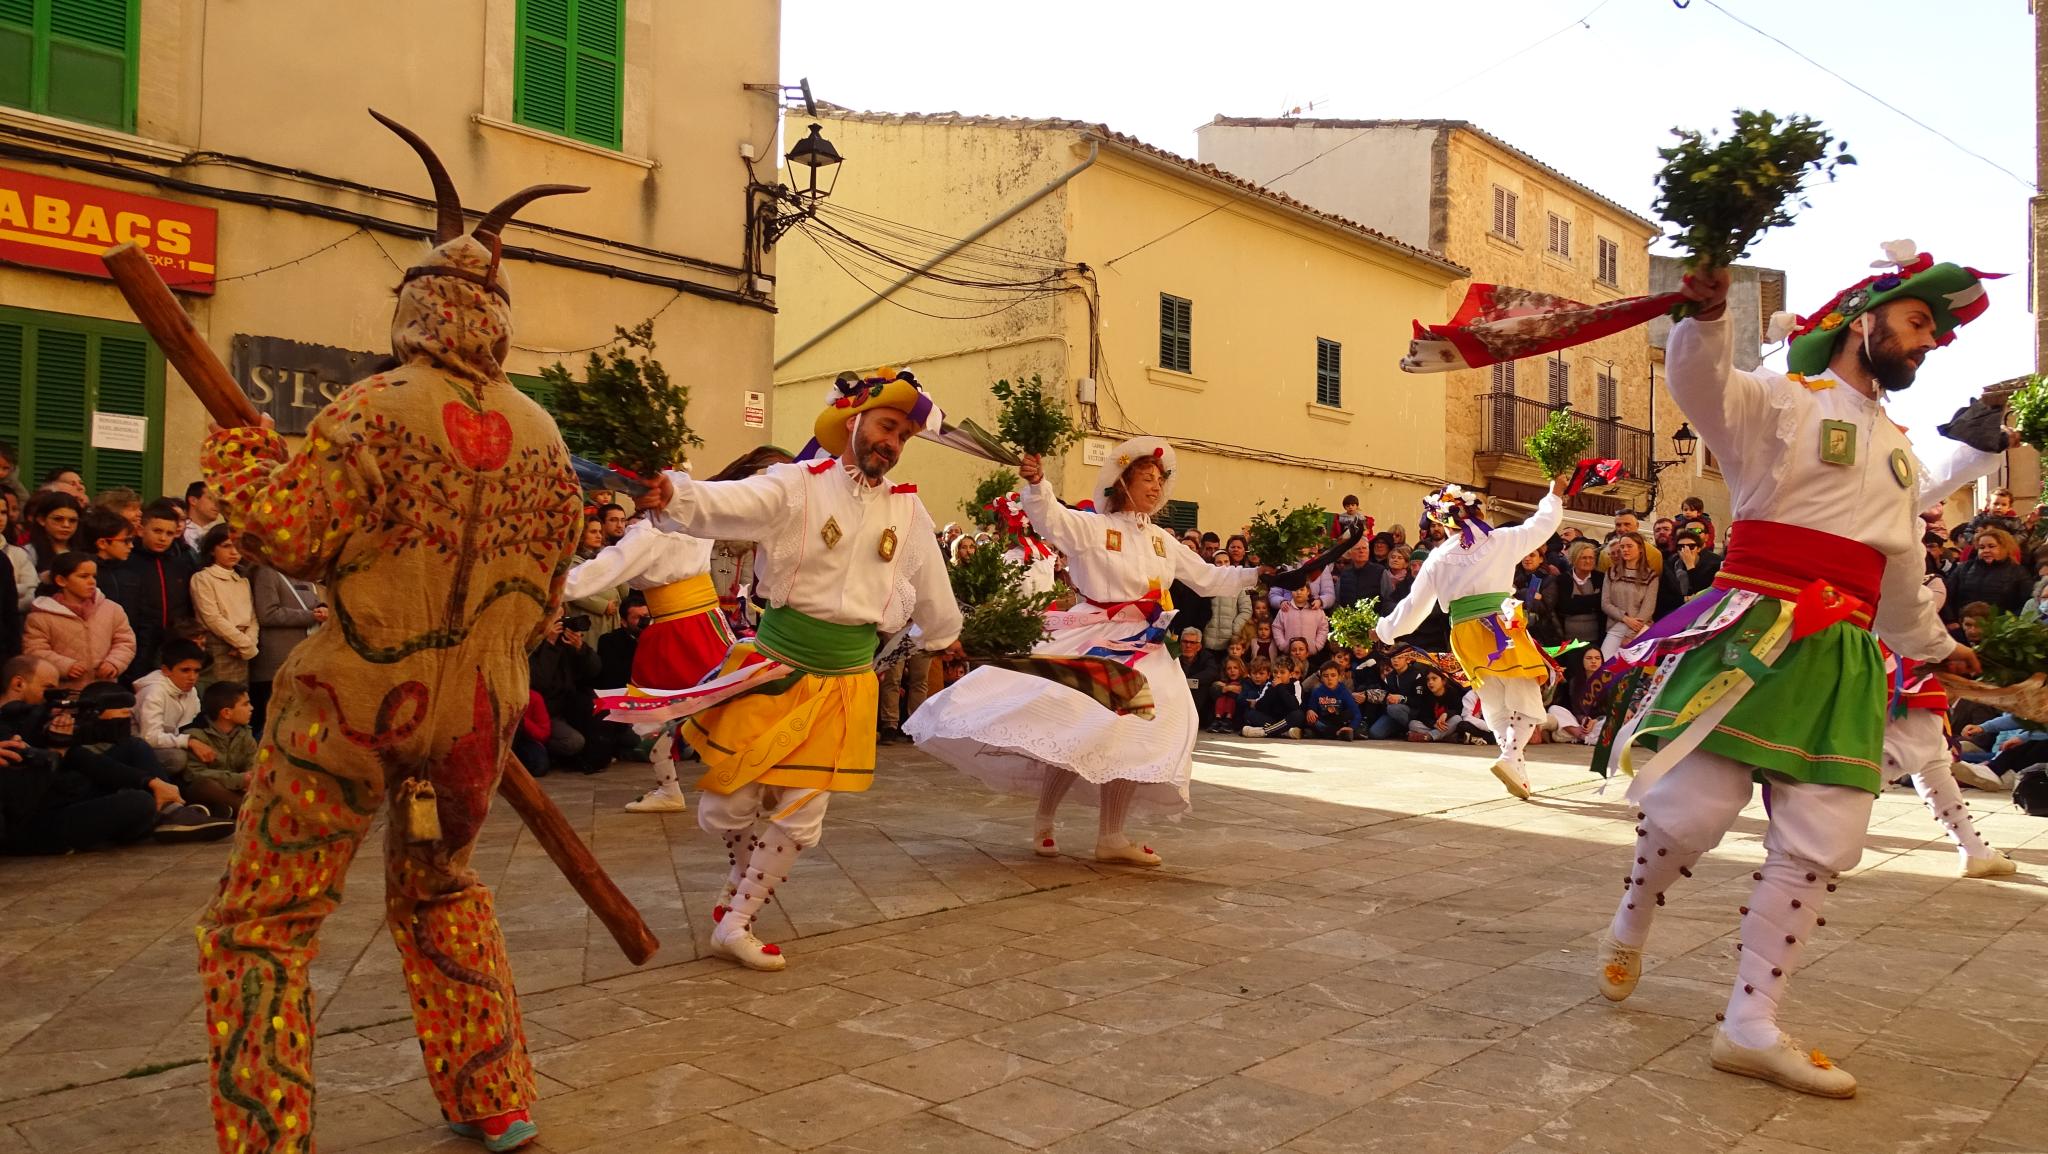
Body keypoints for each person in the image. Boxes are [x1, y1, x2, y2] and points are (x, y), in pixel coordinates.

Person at [193, 115, 585, 1151]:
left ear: (415, 308)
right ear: (496, 322)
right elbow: (551, 592)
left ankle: (269, 1135)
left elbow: (288, 534)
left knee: (262, 925)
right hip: (476, 717)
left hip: (348, 706)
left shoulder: (371, 407)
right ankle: (493, 1097)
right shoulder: (547, 440)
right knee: (445, 887)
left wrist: (239, 458)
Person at [1592, 247, 1991, 1098]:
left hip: (1845, 652)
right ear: (1864, 319)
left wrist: (1935, 649)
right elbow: (1703, 388)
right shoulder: (1782, 399)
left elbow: (1895, 577)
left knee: (1824, 842)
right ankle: (1631, 918)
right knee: (1691, 813)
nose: (1929, 343)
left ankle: (1750, 1023)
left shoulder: (1897, 447)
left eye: (1935, 332)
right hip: (1754, 630)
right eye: (1919, 324)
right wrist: (1702, 316)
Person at [622, 367, 962, 972]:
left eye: (904, 436)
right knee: (726, 803)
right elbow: (727, 503)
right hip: (773, 668)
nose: (891, 442)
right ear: (853, 421)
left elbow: (935, 601)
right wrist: (675, 494)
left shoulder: (909, 514)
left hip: (845, 685)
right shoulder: (795, 486)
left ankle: (737, 919)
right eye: (886, 425)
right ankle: (737, 895)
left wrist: (942, 636)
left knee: (801, 813)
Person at [908, 436, 1321, 870]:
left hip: (1148, 648)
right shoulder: (1094, 527)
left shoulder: (1162, 539)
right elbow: (1052, 521)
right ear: (1123, 483)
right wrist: (1036, 485)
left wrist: (1261, 573)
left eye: (1160, 480)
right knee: (1076, 729)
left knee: (1137, 734)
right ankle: (1044, 819)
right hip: (1096, 639)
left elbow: (1208, 578)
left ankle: (1112, 836)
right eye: (1146, 477)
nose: (1156, 486)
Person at [569, 453, 776, 811]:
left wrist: (548, 583)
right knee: (702, 706)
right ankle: (692, 787)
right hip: (691, 622)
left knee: (671, 712)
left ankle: (697, 785)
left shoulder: (649, 532)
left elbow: (603, 571)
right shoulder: (688, 520)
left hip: (678, 627)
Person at [1375, 478, 1565, 798]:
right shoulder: (1500, 540)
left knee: (1492, 700)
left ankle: (1515, 766)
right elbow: (1542, 525)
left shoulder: (1439, 556)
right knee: (1525, 690)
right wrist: (1555, 493)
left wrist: (1384, 630)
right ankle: (1510, 757)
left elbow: (1414, 606)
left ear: (1445, 522)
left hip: (1462, 633)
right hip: (1496, 626)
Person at [24, 552, 135, 690]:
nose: (92, 581)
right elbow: (34, 650)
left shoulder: (112, 609)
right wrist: (65, 666)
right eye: (83, 576)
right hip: (64, 693)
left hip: (104, 691)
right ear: (61, 581)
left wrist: (114, 663)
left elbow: (125, 641)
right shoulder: (41, 615)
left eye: (94, 576)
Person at [121, 501, 198, 683]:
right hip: (137, 643)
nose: (163, 538)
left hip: (173, 644)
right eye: (157, 531)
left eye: (169, 533)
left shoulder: (181, 564)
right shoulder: (127, 562)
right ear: (140, 530)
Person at [247, 561, 324, 735]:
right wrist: (311, 616)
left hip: (301, 662)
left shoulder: (302, 573)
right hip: (274, 665)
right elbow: (267, 614)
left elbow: (313, 603)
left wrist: (322, 609)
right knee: (268, 725)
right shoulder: (266, 572)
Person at [189, 524, 258, 690]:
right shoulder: (203, 578)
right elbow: (212, 618)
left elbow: (253, 617)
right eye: (226, 546)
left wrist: (249, 643)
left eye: (238, 547)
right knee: (221, 696)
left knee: (240, 698)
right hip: (219, 646)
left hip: (242, 647)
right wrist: (244, 644)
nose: (234, 552)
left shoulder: (242, 579)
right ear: (212, 550)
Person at [132, 637, 205, 774]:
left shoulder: (191, 691)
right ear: (166, 670)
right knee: (177, 758)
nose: (192, 677)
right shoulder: (153, 692)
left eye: (196, 671)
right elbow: (149, 738)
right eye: (185, 670)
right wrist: (188, 741)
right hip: (141, 749)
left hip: (171, 741)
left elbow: (196, 724)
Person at [182, 679, 257, 812]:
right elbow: (194, 774)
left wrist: (250, 778)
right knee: (205, 785)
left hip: (237, 789)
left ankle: (229, 811)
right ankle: (249, 811)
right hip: (209, 790)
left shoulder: (245, 733)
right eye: (245, 704)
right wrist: (240, 779)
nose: (251, 708)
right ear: (226, 713)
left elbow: (252, 763)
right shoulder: (196, 735)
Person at [1944, 525, 2031, 630]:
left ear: (2005, 547)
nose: (1986, 550)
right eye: (1981, 547)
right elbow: (1947, 595)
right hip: (1965, 628)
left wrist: (2008, 624)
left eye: (1991, 546)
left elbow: (2026, 604)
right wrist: (1951, 620)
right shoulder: (1964, 568)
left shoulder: (2018, 572)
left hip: (1999, 630)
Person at [1599, 531, 1659, 658]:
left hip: (1640, 628)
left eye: (1629, 546)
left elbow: (1648, 607)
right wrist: (1625, 618)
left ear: (1640, 549)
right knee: (1604, 664)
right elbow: (1605, 603)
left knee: (1629, 670)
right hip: (1617, 625)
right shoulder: (1612, 572)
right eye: (1622, 546)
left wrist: (1631, 634)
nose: (1625, 550)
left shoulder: (1650, 576)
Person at [22, 490, 82, 579]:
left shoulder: (84, 552)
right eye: (58, 519)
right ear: (41, 520)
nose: (66, 525)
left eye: (72, 520)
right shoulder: (28, 553)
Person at [1302, 659, 1362, 740]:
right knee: (1312, 721)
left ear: (1339, 677)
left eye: (1333, 675)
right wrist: (1310, 710)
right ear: (1321, 678)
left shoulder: (1344, 692)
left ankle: (1331, 733)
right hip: (1324, 721)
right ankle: (1337, 734)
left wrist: (1351, 727)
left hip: (1339, 720)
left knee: (1349, 714)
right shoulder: (1317, 691)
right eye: (1325, 676)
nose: (1329, 679)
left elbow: (1356, 713)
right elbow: (1311, 707)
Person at [180, 481, 222, 552]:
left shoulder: (219, 534)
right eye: (210, 498)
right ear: (193, 500)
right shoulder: (179, 531)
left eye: (219, 500)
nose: (217, 504)